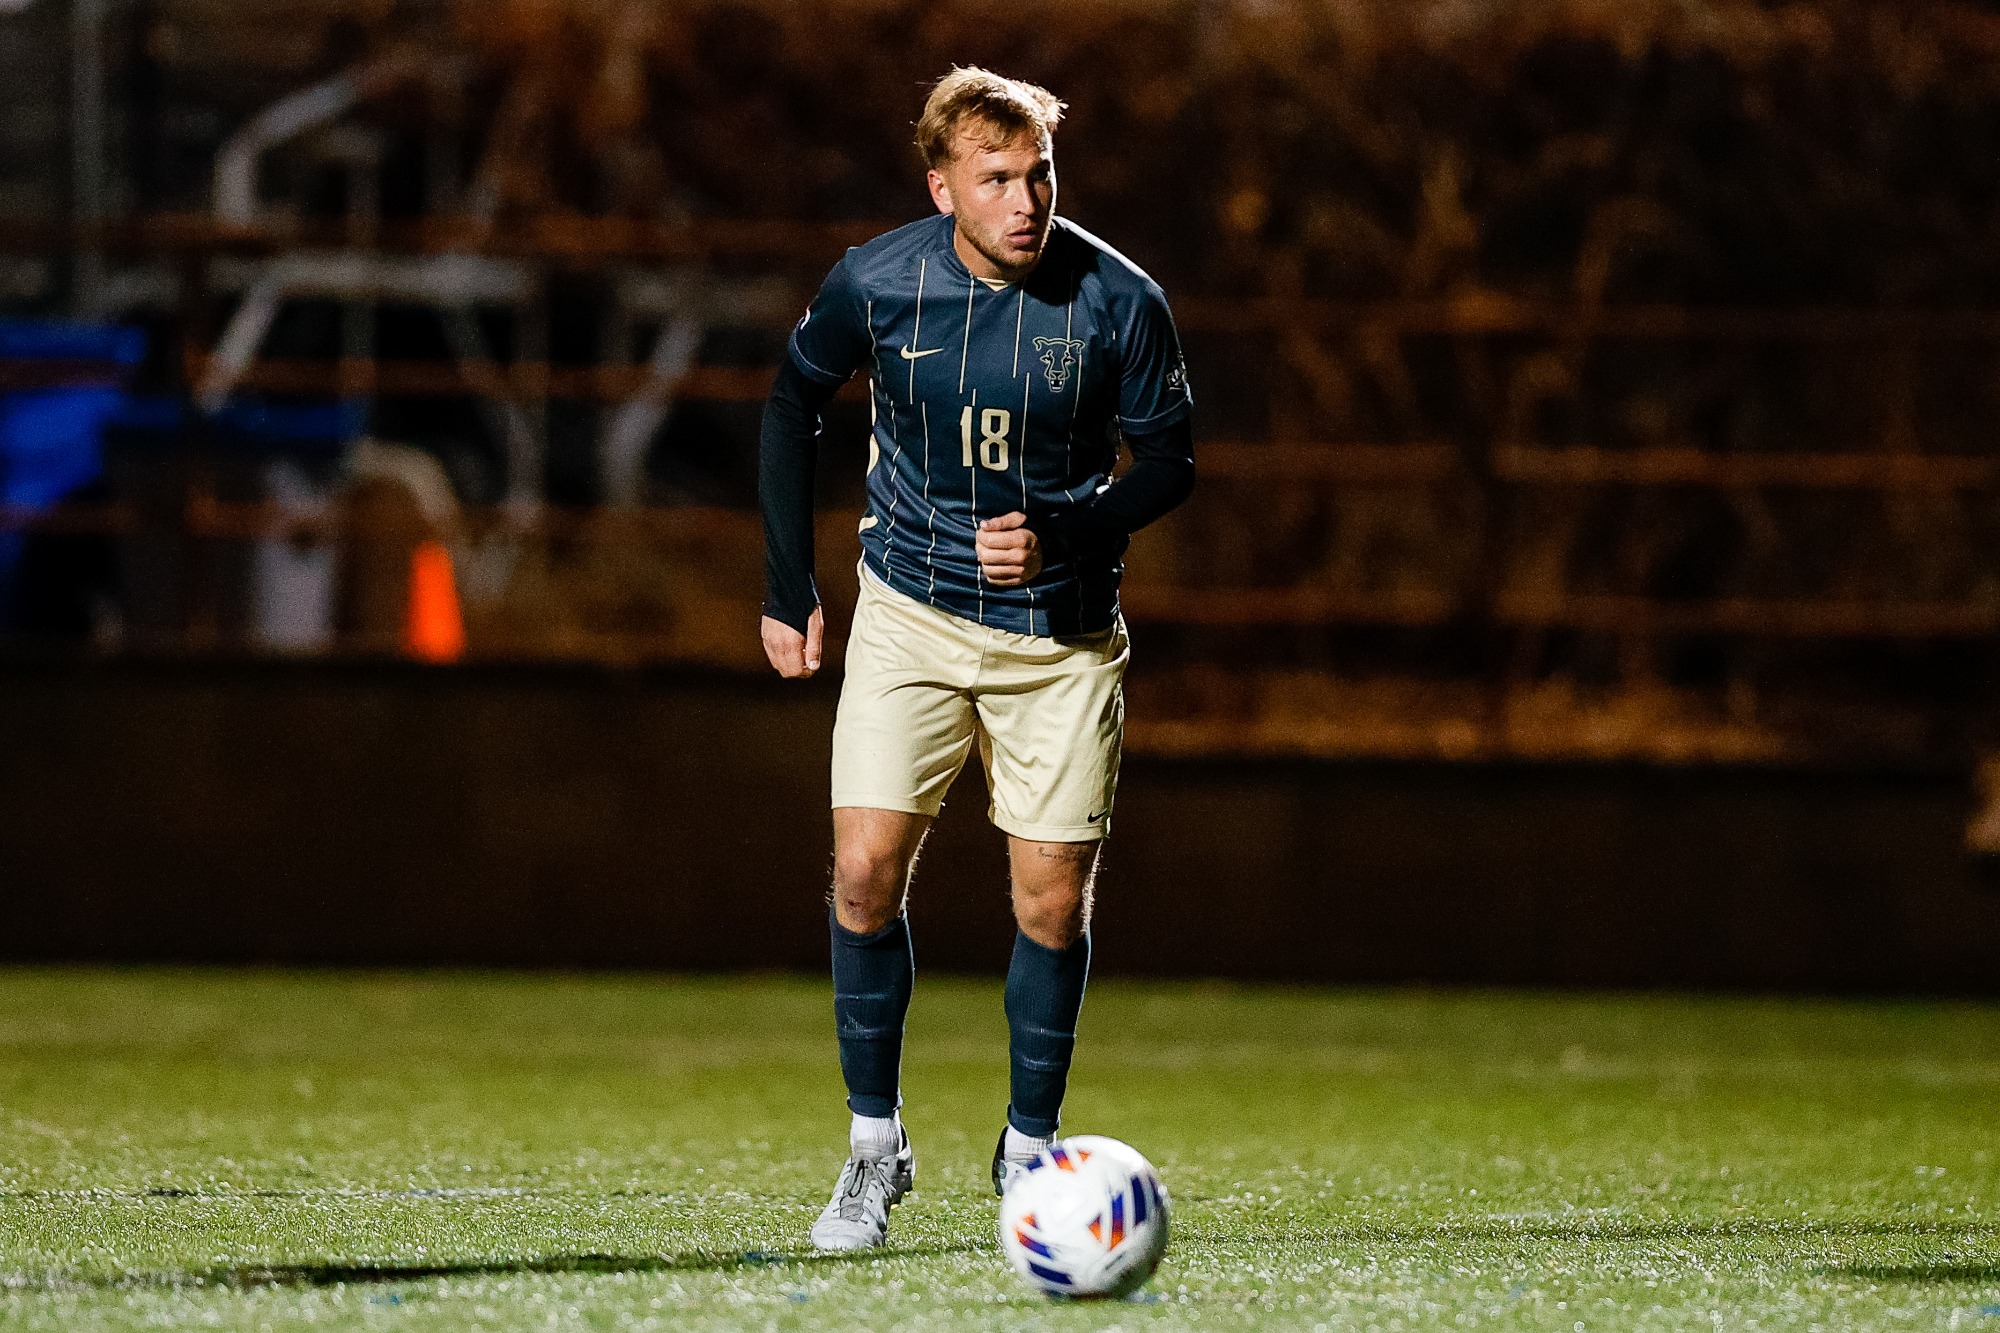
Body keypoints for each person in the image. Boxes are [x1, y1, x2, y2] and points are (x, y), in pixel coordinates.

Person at [757, 65, 1196, 1251]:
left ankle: (1028, 1147)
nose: (1024, 198)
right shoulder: (879, 280)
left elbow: (1168, 462)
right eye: (996, 177)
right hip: (908, 612)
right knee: (861, 873)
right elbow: (791, 401)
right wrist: (787, 585)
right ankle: (870, 1147)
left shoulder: (1116, 299)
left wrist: (1069, 523)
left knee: (1049, 905)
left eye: (1038, 173)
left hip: (1058, 637)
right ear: (941, 182)